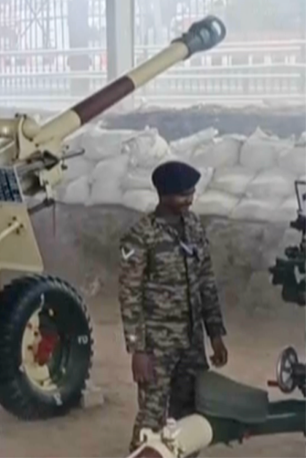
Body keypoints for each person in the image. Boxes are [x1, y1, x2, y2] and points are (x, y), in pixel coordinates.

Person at [120, 160, 228, 451]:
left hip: (191, 343)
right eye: (183, 194)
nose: (189, 199)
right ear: (164, 195)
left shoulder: (193, 226)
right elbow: (129, 295)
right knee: (152, 419)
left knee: (192, 416)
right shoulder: (141, 236)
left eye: (192, 193)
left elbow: (206, 281)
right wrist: (138, 350)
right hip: (157, 346)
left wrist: (215, 334)